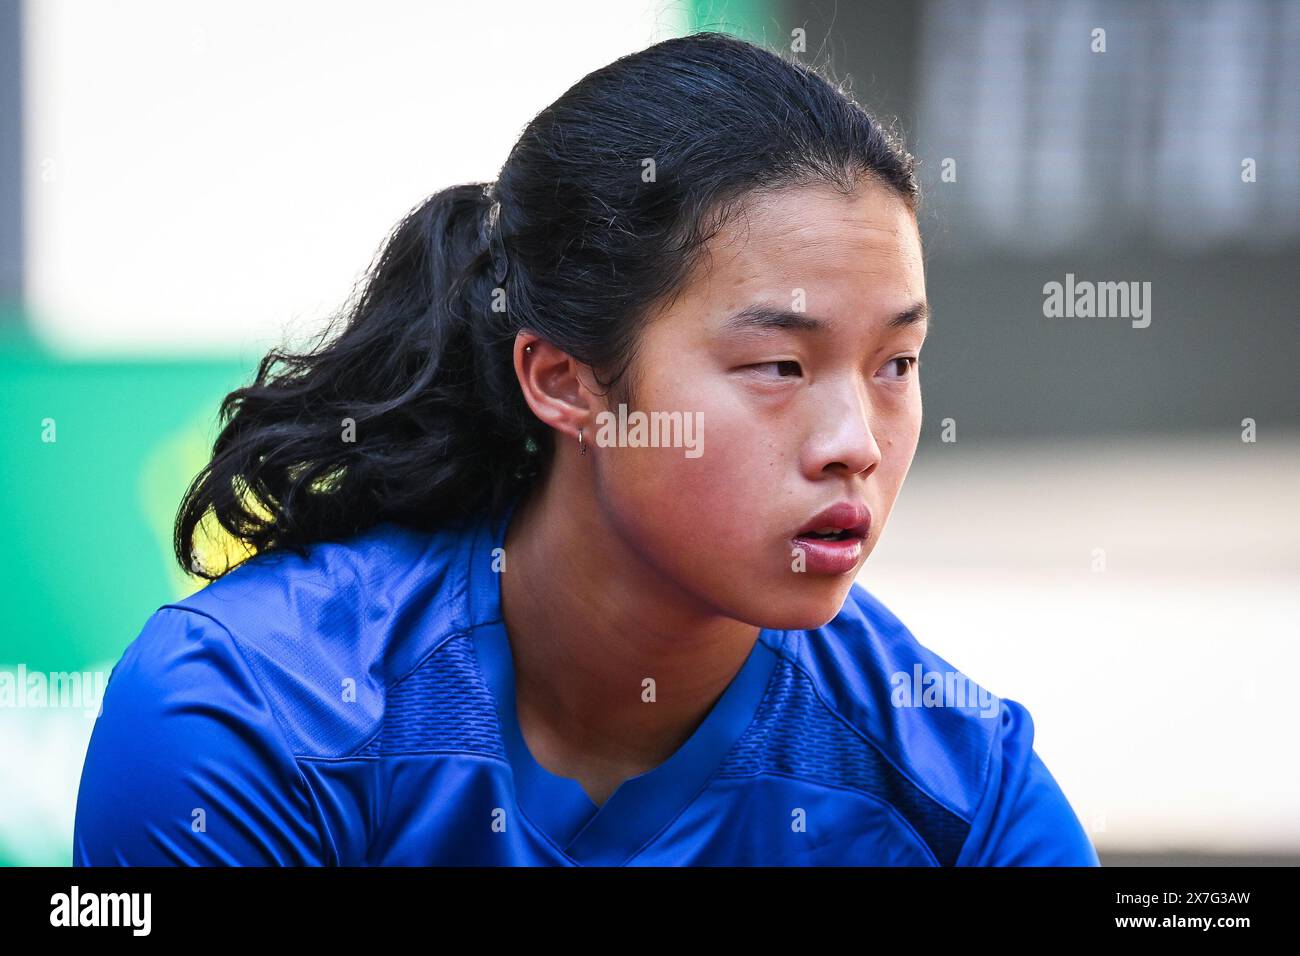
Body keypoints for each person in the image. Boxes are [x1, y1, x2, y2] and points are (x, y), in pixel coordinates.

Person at [73, 31, 1099, 866]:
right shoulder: (247, 714)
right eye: (778, 367)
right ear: (564, 380)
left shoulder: (962, 789)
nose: (853, 445)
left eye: (896, 363)